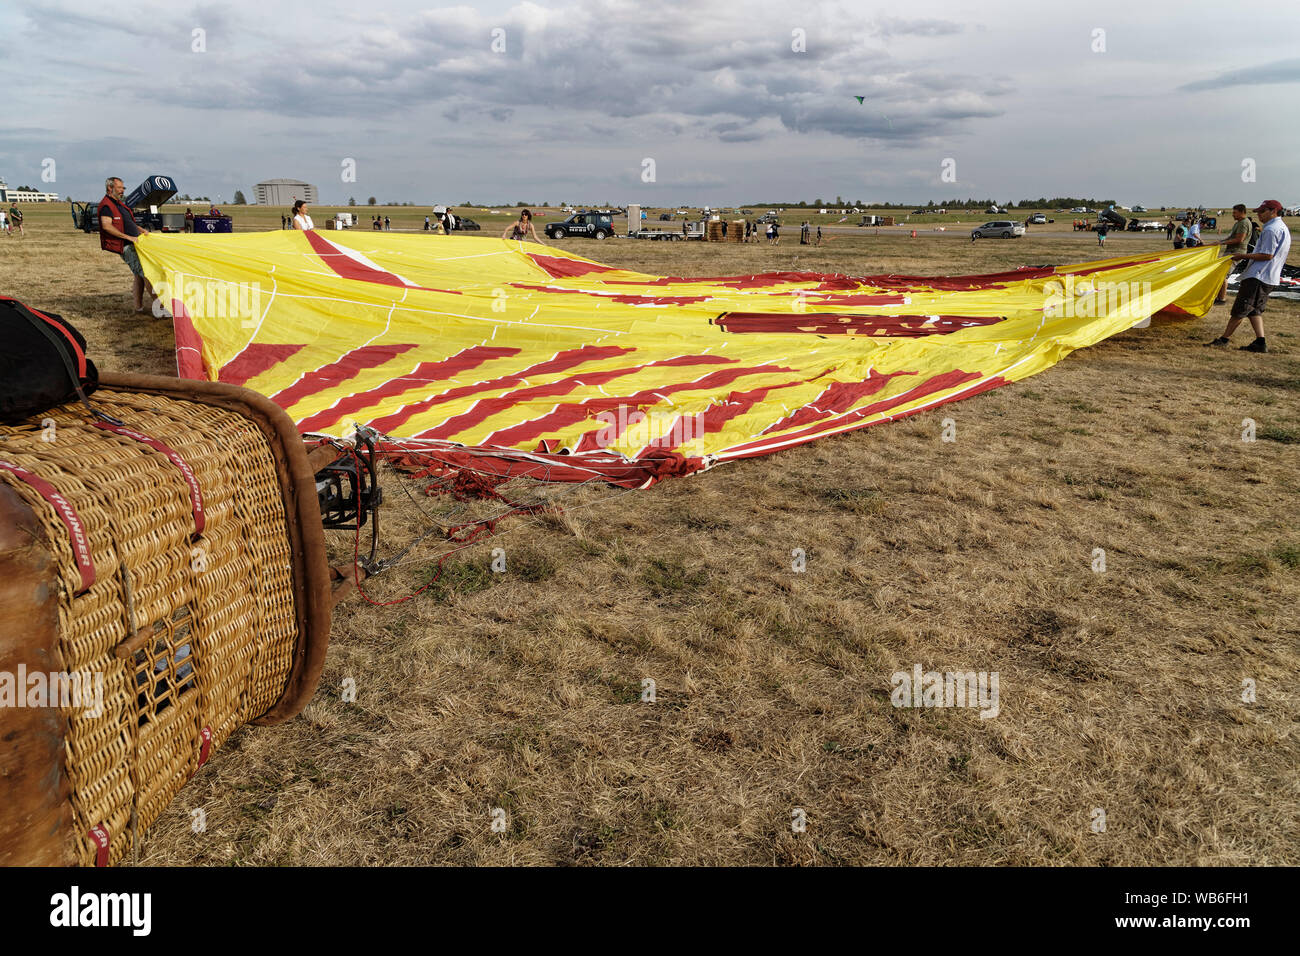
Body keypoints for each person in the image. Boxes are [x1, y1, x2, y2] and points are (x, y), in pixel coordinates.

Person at [1205, 201, 1291, 353]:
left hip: (1259, 276)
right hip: (1267, 276)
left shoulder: (1271, 229)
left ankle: (1224, 339)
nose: (1258, 214)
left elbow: (1267, 255)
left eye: (1262, 211)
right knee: (1254, 310)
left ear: (1273, 211)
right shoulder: (1281, 227)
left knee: (1241, 309)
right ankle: (1260, 341)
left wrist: (1241, 256)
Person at [98, 175, 160, 314]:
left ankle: (138, 308)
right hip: (126, 246)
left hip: (134, 243)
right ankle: (160, 308)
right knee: (147, 274)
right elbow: (107, 226)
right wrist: (129, 238)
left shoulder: (120, 204)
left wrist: (141, 230)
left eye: (123, 188)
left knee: (138, 275)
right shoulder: (106, 206)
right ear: (110, 188)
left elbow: (129, 223)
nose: (122, 190)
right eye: (119, 188)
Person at [1214, 204, 1251, 304]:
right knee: (1221, 274)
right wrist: (1220, 242)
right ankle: (1218, 297)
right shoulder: (1238, 223)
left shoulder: (1243, 223)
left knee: (1223, 275)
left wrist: (1222, 243)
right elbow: (1231, 237)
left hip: (1235, 252)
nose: (1233, 215)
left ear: (1242, 212)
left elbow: (1239, 239)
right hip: (1231, 251)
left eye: (1235, 212)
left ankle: (1221, 299)